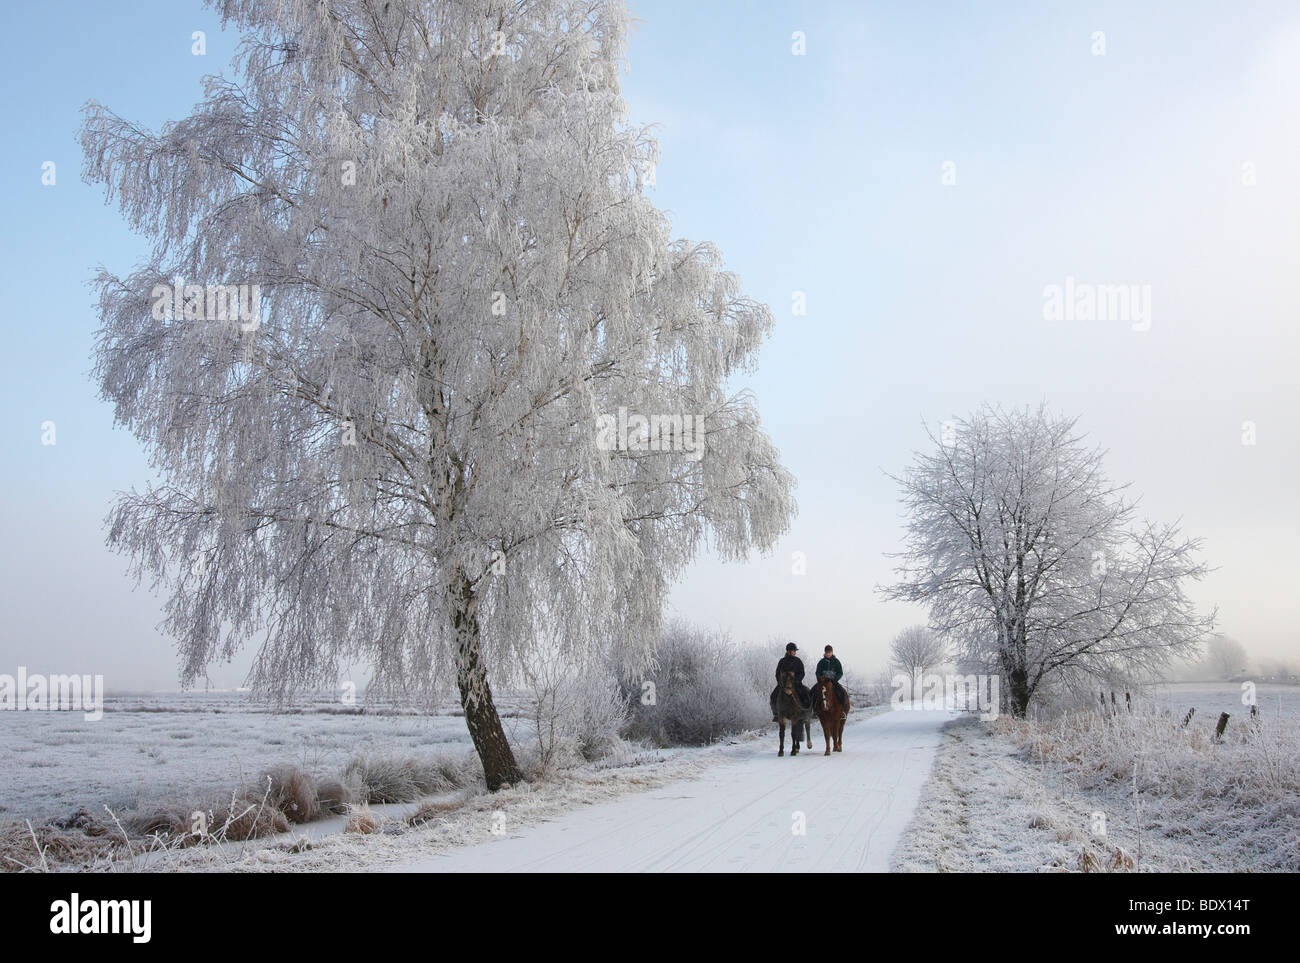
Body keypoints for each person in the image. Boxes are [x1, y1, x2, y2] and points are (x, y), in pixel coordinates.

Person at [770, 642, 809, 722]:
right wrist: (780, 683)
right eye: (794, 651)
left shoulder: (798, 661)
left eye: (795, 651)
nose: (795, 652)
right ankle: (776, 714)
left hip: (796, 684)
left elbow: (802, 673)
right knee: (773, 696)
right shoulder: (782, 661)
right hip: (783, 685)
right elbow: (777, 673)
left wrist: (797, 681)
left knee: (806, 693)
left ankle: (805, 713)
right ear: (789, 651)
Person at [814, 644, 850, 713]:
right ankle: (814, 711)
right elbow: (817, 672)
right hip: (823, 683)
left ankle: (843, 710)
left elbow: (840, 672)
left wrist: (835, 679)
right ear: (825, 652)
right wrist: (820, 679)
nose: (828, 654)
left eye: (829, 652)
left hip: (833, 682)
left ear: (832, 652)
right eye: (827, 652)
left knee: (842, 693)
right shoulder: (821, 662)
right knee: (813, 691)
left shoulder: (836, 661)